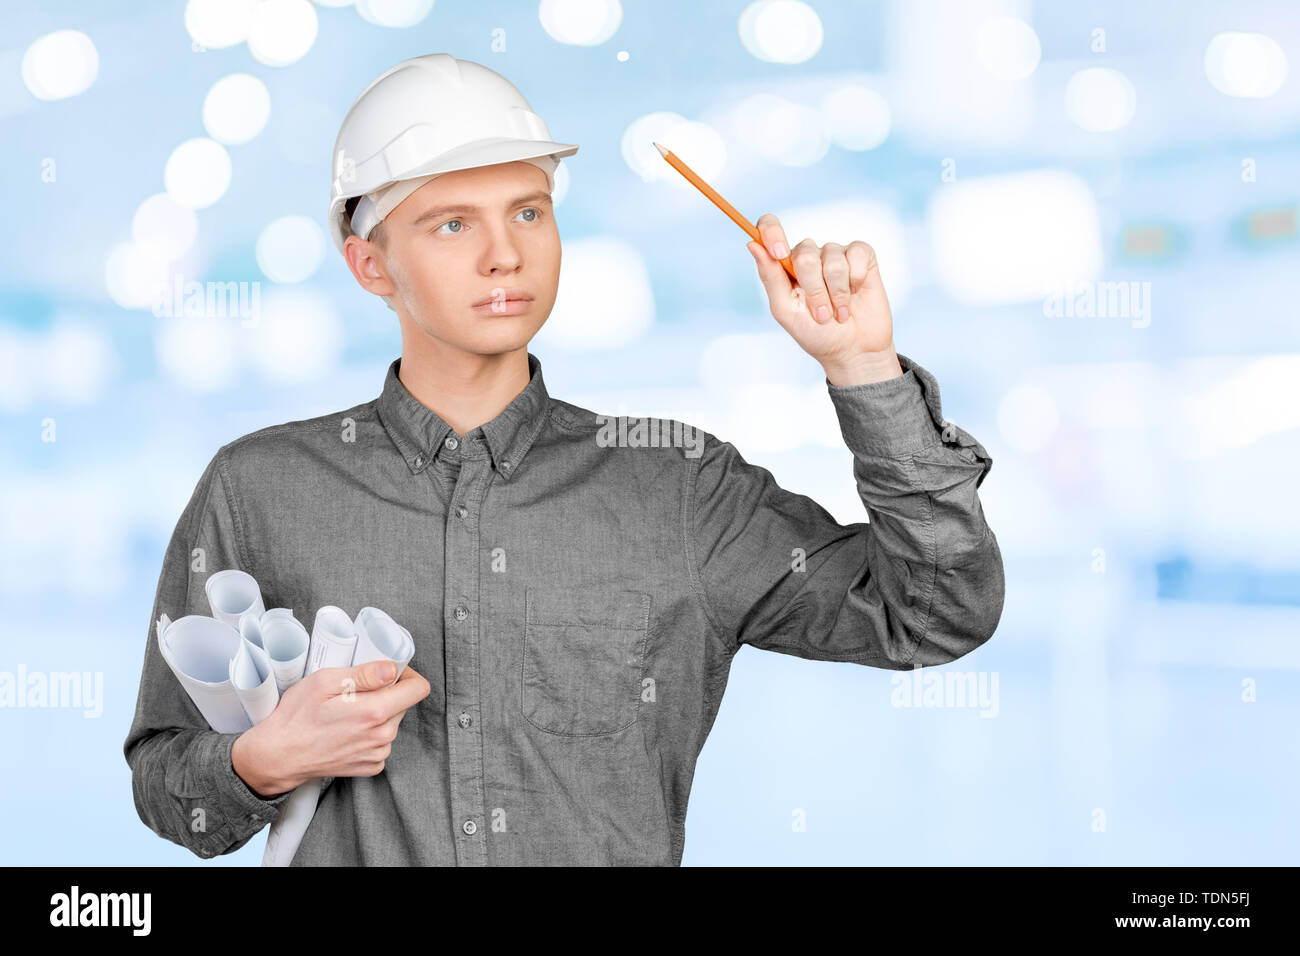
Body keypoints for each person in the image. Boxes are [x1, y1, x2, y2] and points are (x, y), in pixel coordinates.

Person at [123, 53, 1005, 866]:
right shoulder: (261, 489)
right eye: (451, 222)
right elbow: (169, 794)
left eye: (529, 211)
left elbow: (930, 618)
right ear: (370, 265)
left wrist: (861, 369)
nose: (504, 253)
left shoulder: (678, 486)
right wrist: (261, 760)